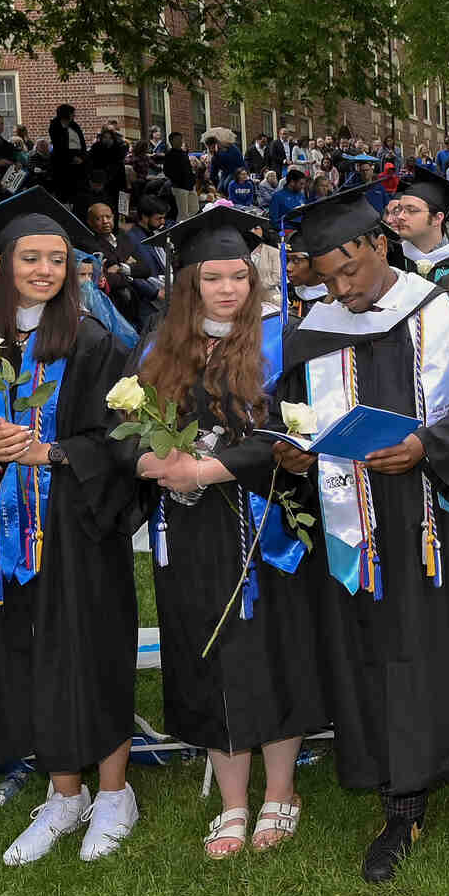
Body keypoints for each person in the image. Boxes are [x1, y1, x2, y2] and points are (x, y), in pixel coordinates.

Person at [270, 187, 449, 881]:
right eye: (326, 276)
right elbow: (289, 419)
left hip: (438, 523)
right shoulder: (314, 331)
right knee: (374, 658)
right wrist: (291, 451)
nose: (341, 288)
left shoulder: (446, 312)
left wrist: (428, 446)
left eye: (349, 270)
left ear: (380, 244)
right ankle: (399, 807)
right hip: (359, 533)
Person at [0, 189, 142, 863]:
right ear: (4, 264)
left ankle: (113, 792)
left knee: (89, 652)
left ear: (71, 269)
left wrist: (54, 451)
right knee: (31, 656)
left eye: (56, 259)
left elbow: (123, 438)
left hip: (76, 527)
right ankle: (63, 794)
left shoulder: (92, 341)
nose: (43, 269)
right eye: (30, 257)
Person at [128, 207, 326, 858]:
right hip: (190, 532)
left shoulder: (280, 341)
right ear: (188, 283)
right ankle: (234, 802)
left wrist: (207, 467)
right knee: (206, 653)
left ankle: (280, 792)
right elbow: (126, 431)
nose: (227, 289)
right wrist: (149, 459)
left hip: (265, 521)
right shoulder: (157, 350)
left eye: (238, 275)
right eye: (212, 277)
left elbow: (295, 433)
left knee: (272, 651)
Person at [384, 165, 449, 282]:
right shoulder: (391, 259)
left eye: (411, 210)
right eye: (400, 209)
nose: (400, 216)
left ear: (437, 219)